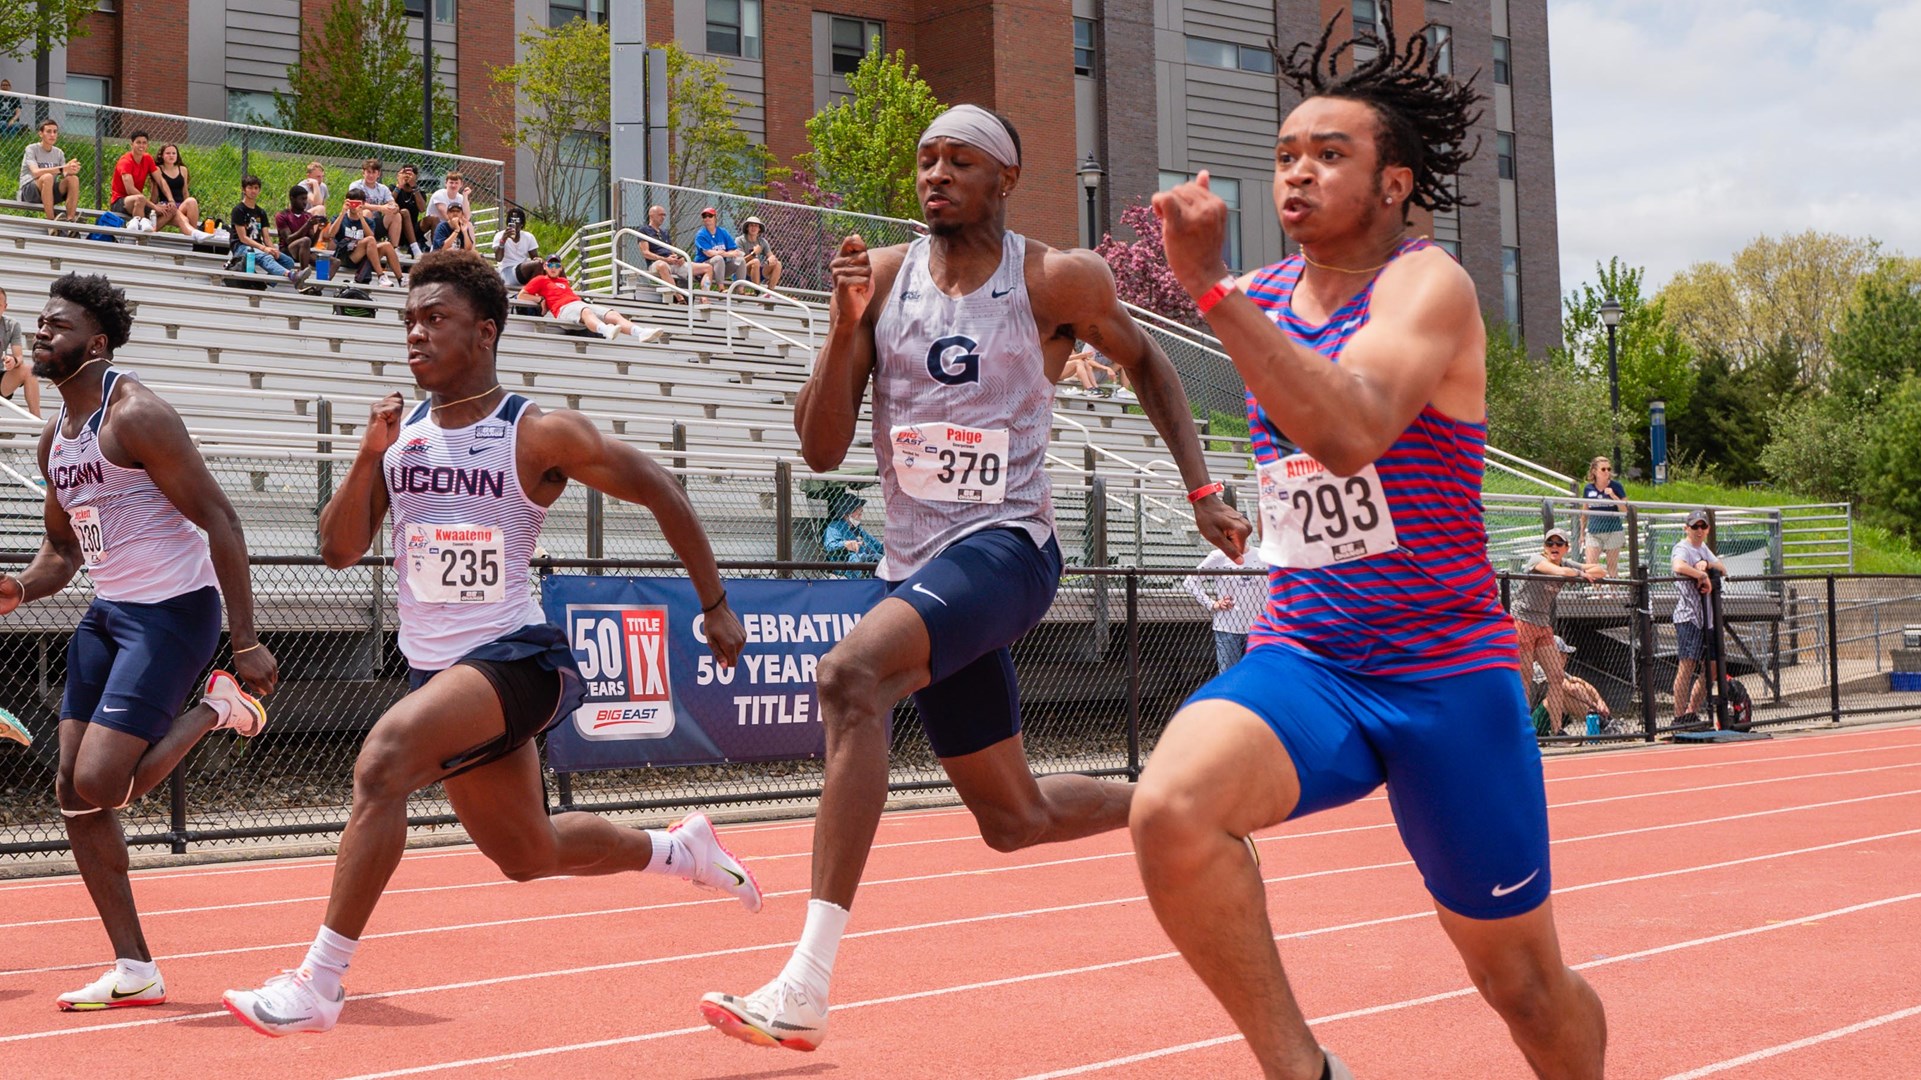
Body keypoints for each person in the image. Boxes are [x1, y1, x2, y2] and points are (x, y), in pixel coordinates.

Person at [699, 102, 1248, 1052]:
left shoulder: (1053, 279)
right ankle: (1180, 801)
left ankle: (805, 983)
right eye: (924, 161)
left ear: (1003, 180)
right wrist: (841, 331)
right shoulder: (876, 278)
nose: (934, 175)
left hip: (1009, 550)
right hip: (915, 565)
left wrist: (1199, 489)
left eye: (958, 161)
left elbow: (1153, 367)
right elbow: (823, 451)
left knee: (848, 678)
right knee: (1012, 816)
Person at [1140, 12, 1607, 1079]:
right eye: (1283, 156)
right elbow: (1132, 342)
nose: (1295, 173)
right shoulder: (1259, 299)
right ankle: (1302, 1070)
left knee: (1525, 991)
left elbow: (1347, 433)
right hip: (1311, 659)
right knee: (1171, 808)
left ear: (1393, 184)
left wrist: (1208, 289)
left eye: (1328, 153)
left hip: (1448, 677)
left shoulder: (1425, 287)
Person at [221, 249, 760, 1036]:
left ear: (486, 332)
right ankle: (679, 850)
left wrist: (714, 603)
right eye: (409, 321)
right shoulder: (397, 435)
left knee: (380, 764)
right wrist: (367, 456)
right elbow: (338, 550)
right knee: (527, 853)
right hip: (438, 673)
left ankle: (320, 985)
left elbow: (660, 489)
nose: (416, 334)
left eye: (434, 320)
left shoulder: (536, 432)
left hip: (516, 657)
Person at [3, 272, 278, 1011]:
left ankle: (219, 707)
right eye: (38, 322)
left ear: (95, 343)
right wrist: (20, 588)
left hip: (173, 612)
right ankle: (135, 968)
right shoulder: (52, 439)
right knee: (72, 794)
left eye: (55, 326)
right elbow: (62, 553)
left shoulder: (138, 416)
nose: (38, 334)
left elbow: (222, 518)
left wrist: (244, 639)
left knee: (101, 784)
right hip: (109, 612)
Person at [1512, 527, 1603, 736]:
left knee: (1556, 675)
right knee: (1524, 677)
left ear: (1566, 548)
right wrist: (1581, 573)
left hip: (1542, 623)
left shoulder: (1567, 562)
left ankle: (1557, 730)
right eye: (1550, 544)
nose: (1554, 547)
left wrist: (1582, 571)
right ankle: (1523, 730)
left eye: (1558, 544)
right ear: (1545, 548)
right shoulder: (1537, 560)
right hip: (1522, 620)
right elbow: (1560, 573)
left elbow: (1600, 570)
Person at [517, 256, 665, 343]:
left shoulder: (563, 281)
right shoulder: (541, 279)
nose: (553, 267)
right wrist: (540, 299)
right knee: (586, 311)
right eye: (550, 264)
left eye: (557, 265)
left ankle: (641, 332)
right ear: (545, 266)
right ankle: (605, 330)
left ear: (561, 267)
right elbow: (521, 295)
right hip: (564, 310)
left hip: (576, 304)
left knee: (613, 314)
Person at [1671, 509, 1726, 728]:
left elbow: (1722, 568)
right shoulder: (1682, 547)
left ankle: (1691, 711)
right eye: (1695, 527)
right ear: (1687, 528)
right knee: (1687, 664)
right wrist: (1700, 574)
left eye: (1703, 526)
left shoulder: (1703, 549)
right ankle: (1678, 716)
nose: (1699, 530)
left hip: (1708, 619)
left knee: (1712, 666)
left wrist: (1708, 565)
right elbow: (1678, 566)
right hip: (1689, 617)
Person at [1184, 539, 1269, 673]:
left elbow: (1266, 592)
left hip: (1256, 628)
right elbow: (1190, 582)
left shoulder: (1261, 556)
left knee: (1255, 674)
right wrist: (1212, 604)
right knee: (1229, 675)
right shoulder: (1218, 556)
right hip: (1227, 627)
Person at [229, 175, 311, 287]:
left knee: (288, 262)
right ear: (244, 190)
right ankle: (291, 275)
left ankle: (265, 282)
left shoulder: (261, 212)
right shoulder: (238, 210)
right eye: (250, 188)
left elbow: (266, 237)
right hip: (241, 248)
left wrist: (273, 249)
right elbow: (243, 238)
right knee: (265, 256)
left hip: (258, 247)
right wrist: (264, 248)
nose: (253, 191)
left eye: (256, 188)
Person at [321, 188, 406, 288]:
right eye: (352, 203)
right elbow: (331, 234)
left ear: (363, 204)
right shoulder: (339, 218)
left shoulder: (368, 221)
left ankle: (401, 279)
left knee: (386, 245)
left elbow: (371, 236)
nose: (354, 206)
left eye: (357, 203)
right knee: (369, 240)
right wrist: (342, 213)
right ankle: (381, 276)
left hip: (363, 255)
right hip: (346, 254)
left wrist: (361, 217)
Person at [639, 203, 709, 298]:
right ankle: (679, 297)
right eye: (660, 214)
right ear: (651, 215)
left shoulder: (664, 232)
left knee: (707, 267)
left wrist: (679, 258)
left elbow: (671, 250)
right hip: (657, 263)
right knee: (662, 265)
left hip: (673, 262)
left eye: (664, 215)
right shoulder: (644, 230)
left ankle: (704, 297)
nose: (663, 217)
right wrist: (665, 259)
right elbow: (645, 253)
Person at [20, 119, 81, 222]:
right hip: (29, 191)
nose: (52, 135)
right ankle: (51, 222)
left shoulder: (59, 153)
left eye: (55, 131)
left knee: (73, 179)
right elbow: (35, 172)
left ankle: (71, 220)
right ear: (40, 134)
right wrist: (62, 168)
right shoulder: (31, 149)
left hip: (48, 190)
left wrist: (71, 169)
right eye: (48, 131)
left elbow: (64, 173)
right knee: (47, 177)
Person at [1581, 456, 1628, 578]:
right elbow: (1585, 512)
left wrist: (1613, 496)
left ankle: (1614, 594)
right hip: (1594, 531)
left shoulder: (1616, 486)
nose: (1607, 472)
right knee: (1591, 565)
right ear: (1594, 471)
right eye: (1603, 469)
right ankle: (1597, 593)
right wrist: (1581, 533)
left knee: (1611, 565)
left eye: (1609, 469)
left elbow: (1625, 510)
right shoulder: (1588, 488)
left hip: (1613, 530)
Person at [0, 285, 42, 417]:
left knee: (28, 370)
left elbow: (19, 356)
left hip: (1, 378)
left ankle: (36, 421)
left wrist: (13, 361)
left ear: (5, 307)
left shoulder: (12, 325)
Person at [821, 493, 883, 577]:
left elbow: (877, 546)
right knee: (875, 559)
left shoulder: (859, 529)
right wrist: (845, 544)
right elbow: (830, 545)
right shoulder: (835, 527)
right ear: (847, 514)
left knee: (881, 557)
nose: (860, 517)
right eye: (859, 513)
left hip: (870, 559)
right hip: (852, 562)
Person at [148, 144, 203, 237]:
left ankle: (193, 239)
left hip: (180, 206)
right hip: (166, 205)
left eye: (174, 153)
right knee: (173, 210)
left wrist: (189, 208)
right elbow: (154, 195)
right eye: (168, 153)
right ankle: (194, 234)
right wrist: (154, 208)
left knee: (192, 201)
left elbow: (185, 192)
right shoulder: (158, 169)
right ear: (161, 155)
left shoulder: (183, 170)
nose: (171, 155)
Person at [353, 159, 405, 252]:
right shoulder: (356, 185)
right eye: (368, 172)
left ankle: (394, 249)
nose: (371, 175)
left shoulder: (383, 188)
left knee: (396, 215)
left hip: (377, 223)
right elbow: (357, 204)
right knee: (366, 212)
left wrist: (394, 207)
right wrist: (380, 208)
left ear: (378, 174)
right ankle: (362, 244)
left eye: (374, 172)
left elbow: (391, 202)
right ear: (363, 173)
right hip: (358, 222)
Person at [107, 131, 157, 225]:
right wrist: (154, 206)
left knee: (169, 211)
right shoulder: (125, 161)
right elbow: (130, 190)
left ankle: (149, 232)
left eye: (144, 143)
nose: (141, 145)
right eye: (138, 142)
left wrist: (170, 200)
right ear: (132, 144)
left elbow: (160, 180)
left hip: (138, 201)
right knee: (140, 199)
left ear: (147, 145)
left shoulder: (148, 158)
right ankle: (138, 233)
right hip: (120, 201)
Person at [275, 184, 326, 270]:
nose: (305, 202)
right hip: (288, 251)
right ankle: (303, 273)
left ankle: (321, 283)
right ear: (292, 198)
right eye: (301, 199)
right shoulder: (282, 215)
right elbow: (288, 240)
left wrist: (320, 229)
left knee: (333, 262)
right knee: (305, 240)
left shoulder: (308, 216)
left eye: (306, 199)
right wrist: (307, 225)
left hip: (305, 251)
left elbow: (312, 243)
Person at [693, 207, 745, 289]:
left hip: (721, 269)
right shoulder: (701, 234)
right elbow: (709, 253)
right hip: (704, 268)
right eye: (704, 216)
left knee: (740, 260)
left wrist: (727, 253)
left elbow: (733, 249)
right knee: (718, 258)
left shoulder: (722, 232)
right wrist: (726, 254)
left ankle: (741, 291)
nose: (707, 218)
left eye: (710, 216)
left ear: (715, 218)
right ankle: (721, 288)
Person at [491, 207, 540, 286]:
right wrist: (503, 240)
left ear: (522, 223)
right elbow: (498, 258)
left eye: (516, 221)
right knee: (537, 264)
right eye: (511, 220)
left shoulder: (528, 237)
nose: (514, 224)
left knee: (552, 266)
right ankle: (530, 291)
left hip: (522, 271)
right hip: (507, 272)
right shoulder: (500, 235)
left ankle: (564, 291)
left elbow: (535, 258)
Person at [390, 164, 426, 258]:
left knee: (433, 219)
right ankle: (415, 250)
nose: (407, 176)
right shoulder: (392, 188)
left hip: (413, 229)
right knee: (404, 212)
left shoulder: (419, 191)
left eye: (410, 174)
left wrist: (414, 186)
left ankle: (435, 250)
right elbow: (388, 204)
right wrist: (399, 186)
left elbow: (422, 209)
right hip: (396, 227)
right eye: (404, 173)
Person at [422, 170, 470, 240]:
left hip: (453, 224)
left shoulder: (461, 197)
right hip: (436, 226)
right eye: (451, 183)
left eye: (456, 183)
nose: (453, 185)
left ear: (461, 184)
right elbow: (447, 217)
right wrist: (460, 222)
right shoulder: (439, 194)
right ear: (446, 183)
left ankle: (468, 249)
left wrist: (465, 196)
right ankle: (436, 248)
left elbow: (467, 217)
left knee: (469, 225)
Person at [741, 216, 782, 291]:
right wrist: (753, 253)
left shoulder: (762, 242)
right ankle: (757, 292)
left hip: (757, 271)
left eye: (756, 226)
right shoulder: (740, 240)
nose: (754, 228)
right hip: (742, 272)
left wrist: (770, 260)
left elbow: (771, 256)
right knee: (756, 262)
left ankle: (769, 293)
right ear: (747, 227)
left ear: (759, 229)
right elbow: (740, 261)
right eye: (751, 225)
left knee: (778, 264)